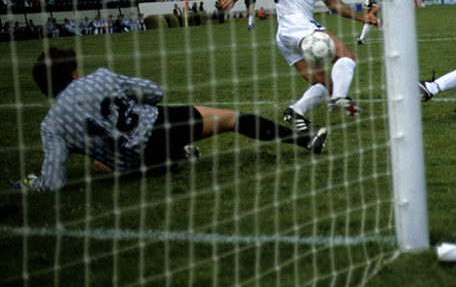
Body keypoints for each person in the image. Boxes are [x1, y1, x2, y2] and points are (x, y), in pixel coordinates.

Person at [12, 47, 327, 192]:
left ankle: (177, 156)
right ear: (72, 72)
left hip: (133, 164)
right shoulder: (98, 78)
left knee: (99, 161)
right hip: (160, 127)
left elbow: (53, 183)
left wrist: (28, 184)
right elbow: (155, 92)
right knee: (231, 118)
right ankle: (303, 139)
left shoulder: (50, 126)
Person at [219, 0, 379, 134]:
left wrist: (361, 17)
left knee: (325, 85)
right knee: (347, 56)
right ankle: (340, 98)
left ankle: (296, 111)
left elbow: (332, 3)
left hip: (285, 37)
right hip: (298, 26)